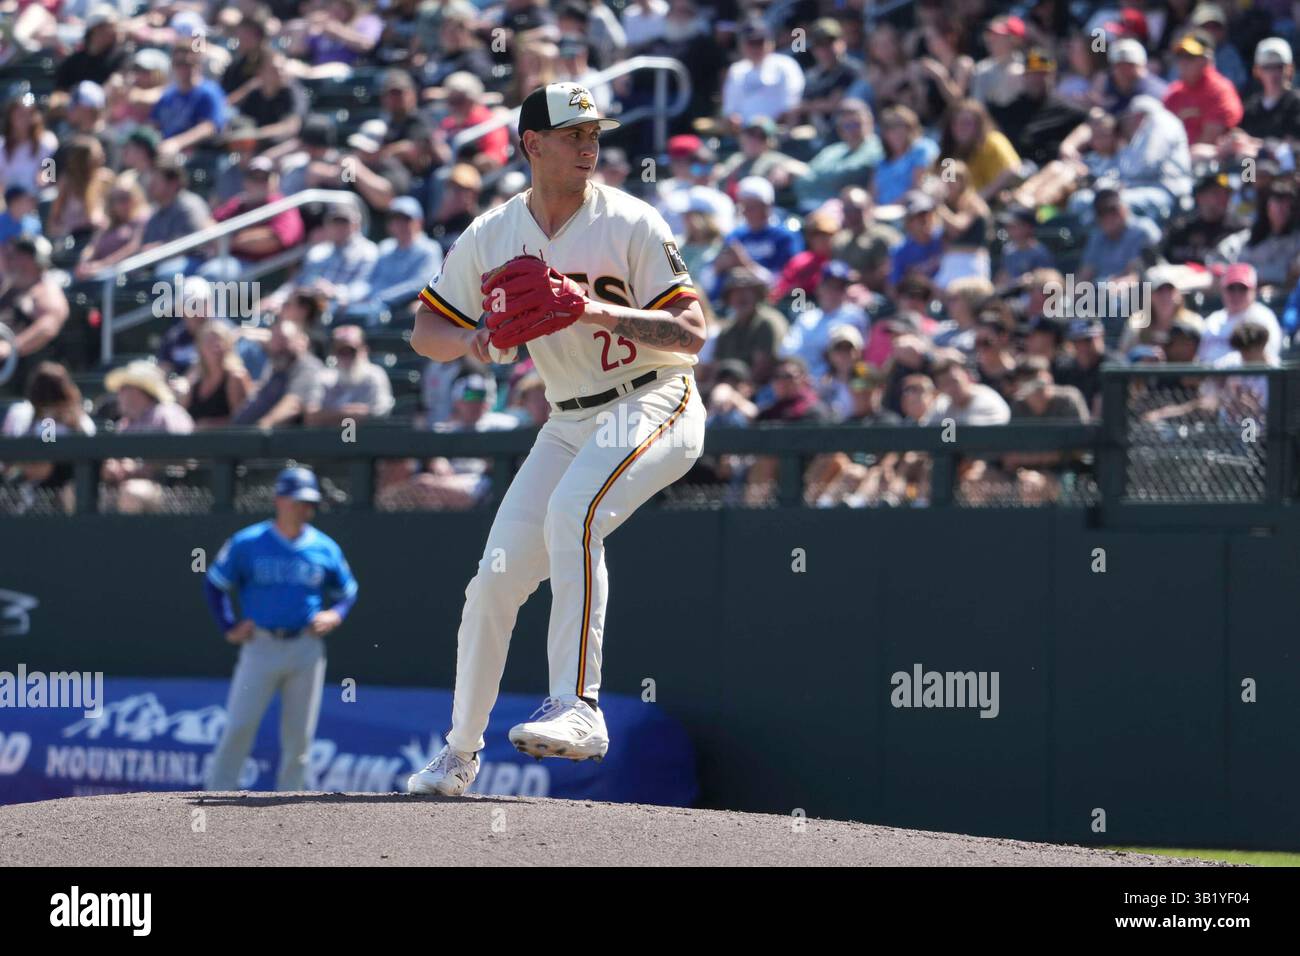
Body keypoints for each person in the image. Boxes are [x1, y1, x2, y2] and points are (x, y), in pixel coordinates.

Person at [406, 82, 706, 795]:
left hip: (655, 399)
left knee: (574, 513)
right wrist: (477, 339)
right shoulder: (492, 232)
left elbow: (692, 336)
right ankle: (458, 756)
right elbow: (426, 332)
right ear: (531, 144)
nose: (589, 145)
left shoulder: (630, 220)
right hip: (570, 417)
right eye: (573, 134)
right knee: (494, 583)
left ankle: (580, 706)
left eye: (594, 132)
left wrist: (591, 309)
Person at [204, 467, 359, 792]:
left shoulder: (324, 547)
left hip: (306, 647)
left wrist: (336, 615)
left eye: (309, 502)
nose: (304, 508)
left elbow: (348, 590)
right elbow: (215, 583)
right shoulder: (248, 542)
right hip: (260, 644)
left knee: (299, 736)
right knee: (239, 725)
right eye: (298, 501)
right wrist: (228, 625)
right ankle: (218, 794)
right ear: (279, 500)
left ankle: (290, 804)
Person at [232, 318, 328, 428]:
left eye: (283, 340)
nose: (278, 346)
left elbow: (294, 404)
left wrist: (262, 427)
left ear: (301, 341)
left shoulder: (307, 366)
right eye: (274, 340)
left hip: (284, 440)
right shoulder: (273, 366)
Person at [304, 325, 395, 425]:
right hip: (329, 438)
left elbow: (381, 413)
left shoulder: (375, 375)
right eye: (341, 352)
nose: (347, 357)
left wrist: (331, 415)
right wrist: (350, 412)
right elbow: (311, 416)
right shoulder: (323, 378)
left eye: (351, 351)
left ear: (364, 350)